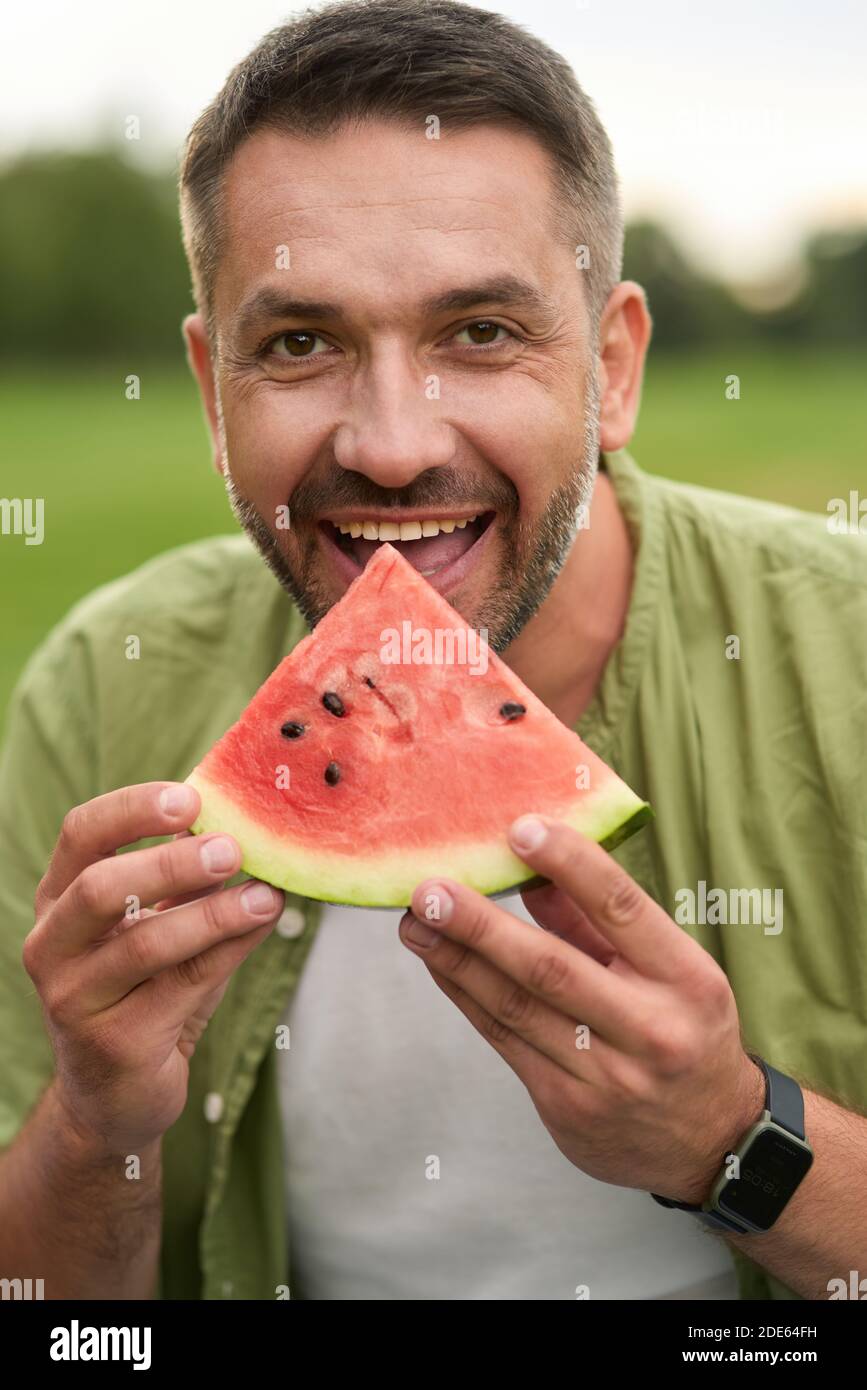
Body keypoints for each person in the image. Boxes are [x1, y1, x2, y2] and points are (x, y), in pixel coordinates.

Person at [0, 0, 864, 1302]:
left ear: (613, 369)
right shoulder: (102, 691)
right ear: (208, 394)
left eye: (481, 333)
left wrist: (731, 1135)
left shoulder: (849, 654)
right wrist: (92, 1130)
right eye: (301, 344)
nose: (394, 444)